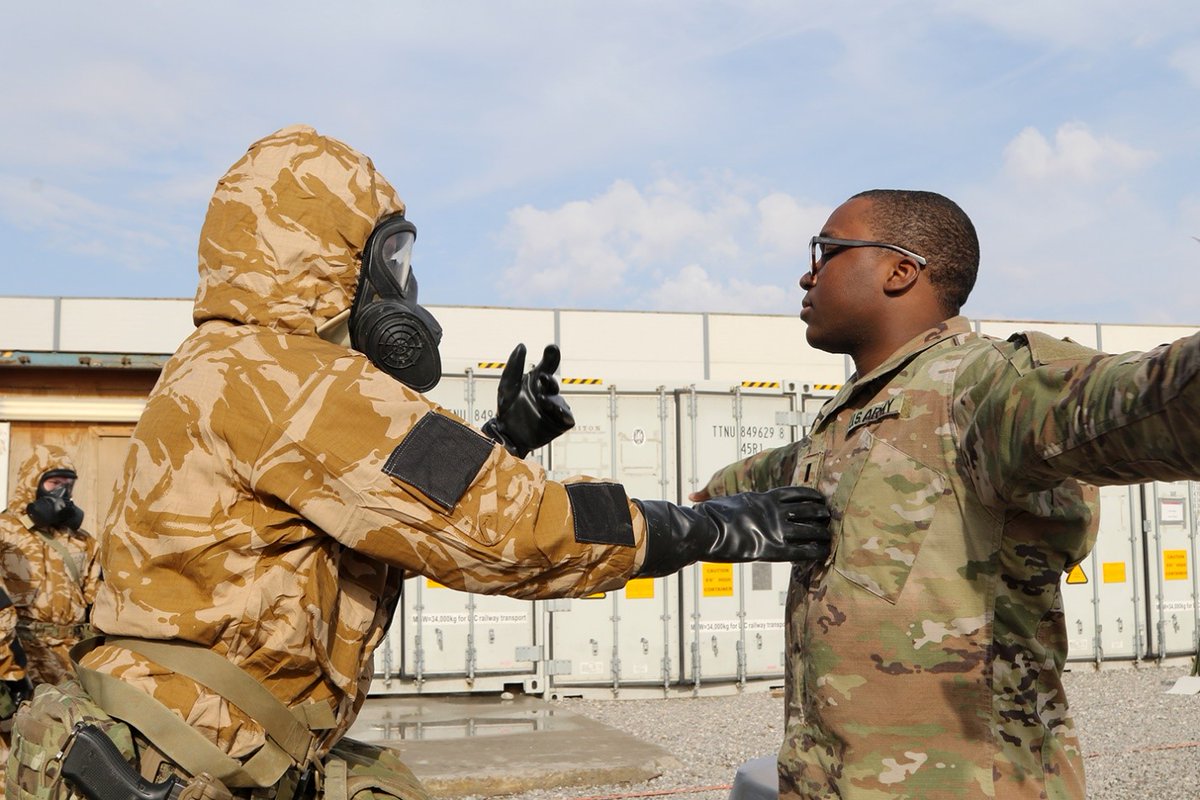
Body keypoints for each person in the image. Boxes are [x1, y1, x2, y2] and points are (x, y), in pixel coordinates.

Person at [5, 125, 832, 800]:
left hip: (165, 736)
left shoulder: (220, 364)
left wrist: (498, 442)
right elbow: (513, 534)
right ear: (322, 254)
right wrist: (719, 527)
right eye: (388, 258)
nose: (401, 285)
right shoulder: (295, 376)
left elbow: (376, 515)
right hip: (189, 756)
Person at [692, 189, 1200, 800]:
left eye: (826, 251)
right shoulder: (851, 421)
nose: (808, 273)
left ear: (901, 271)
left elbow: (1145, 398)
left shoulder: (979, 387)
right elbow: (745, 482)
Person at [0, 445, 99, 685]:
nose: (62, 492)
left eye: (68, 485)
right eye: (54, 483)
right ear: (32, 483)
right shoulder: (5, 532)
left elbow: (98, 601)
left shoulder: (82, 539)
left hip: (72, 657)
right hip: (21, 653)